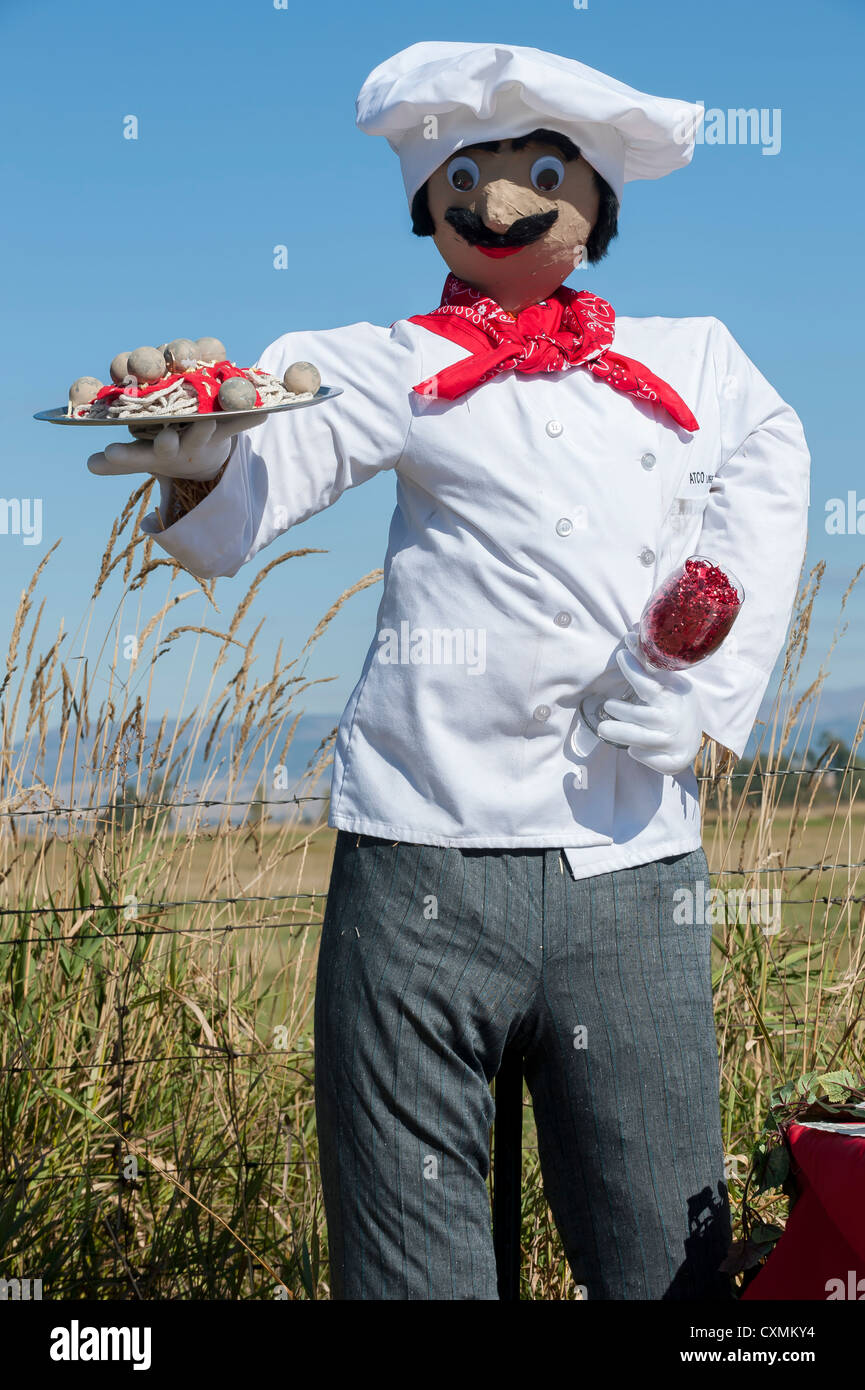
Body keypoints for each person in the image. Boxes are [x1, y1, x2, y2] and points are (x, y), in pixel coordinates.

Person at [87, 41, 811, 1300]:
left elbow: (772, 459)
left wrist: (695, 666)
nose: (497, 200)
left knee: (668, 1262)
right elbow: (266, 471)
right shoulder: (390, 360)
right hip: (418, 858)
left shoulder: (698, 360)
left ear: (600, 206)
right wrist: (197, 457)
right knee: (411, 1265)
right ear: (428, 205)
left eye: (539, 170)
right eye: (460, 176)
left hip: (632, 865)